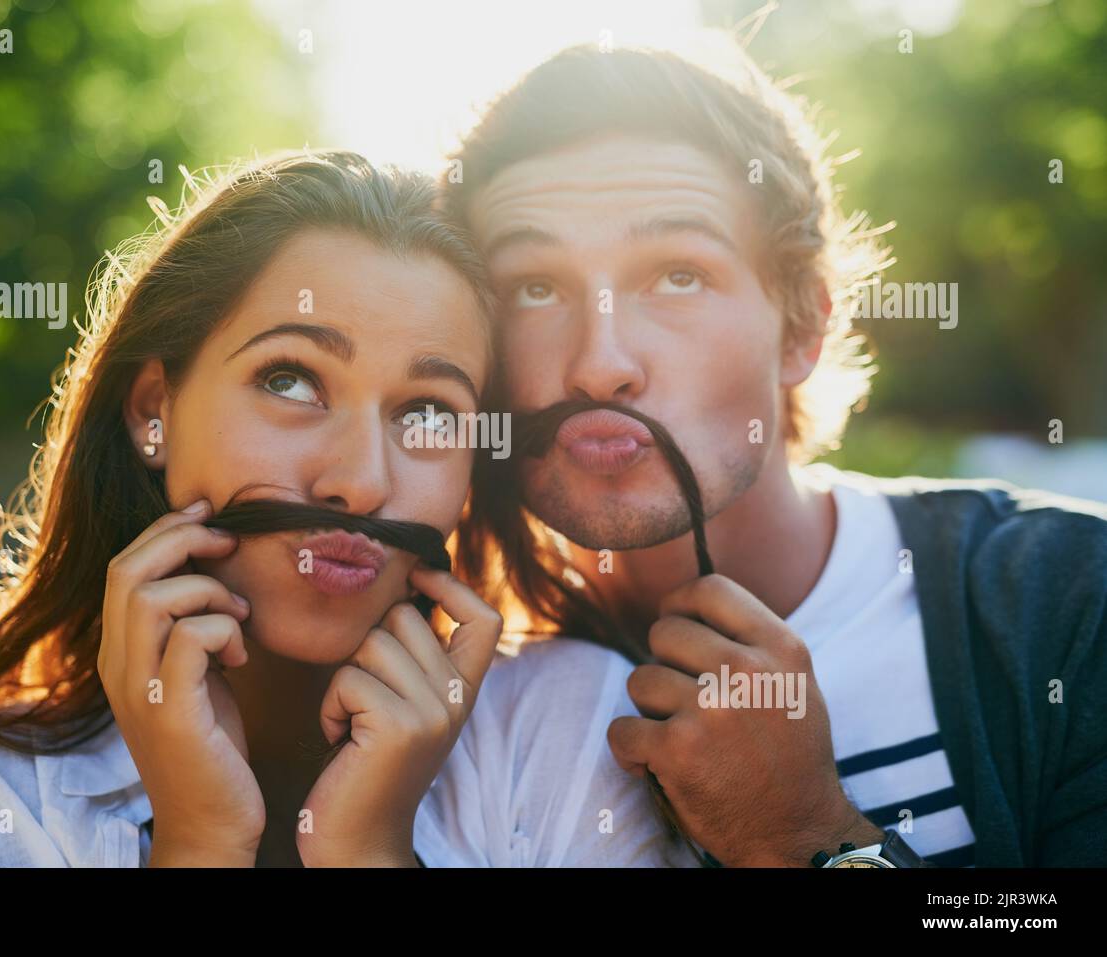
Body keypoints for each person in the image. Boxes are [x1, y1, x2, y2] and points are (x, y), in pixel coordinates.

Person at [413, 36, 1107, 867]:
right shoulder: (455, 700)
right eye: (533, 287)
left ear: (803, 327)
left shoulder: (1067, 605)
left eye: (676, 276)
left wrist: (807, 839)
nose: (600, 362)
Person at [0, 150, 510, 867]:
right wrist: (201, 844)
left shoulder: (569, 738)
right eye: (290, 381)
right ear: (154, 412)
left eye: (428, 415)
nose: (359, 483)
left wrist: (367, 852)